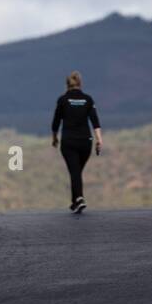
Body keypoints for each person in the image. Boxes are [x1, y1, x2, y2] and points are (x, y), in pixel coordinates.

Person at [51, 71, 102, 213]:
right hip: (86, 142)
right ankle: (75, 202)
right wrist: (99, 140)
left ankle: (79, 198)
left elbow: (56, 122)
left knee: (75, 172)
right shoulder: (88, 99)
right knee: (77, 172)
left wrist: (54, 137)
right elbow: (95, 121)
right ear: (80, 84)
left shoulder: (62, 100)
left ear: (67, 85)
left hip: (69, 142)